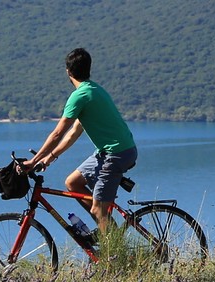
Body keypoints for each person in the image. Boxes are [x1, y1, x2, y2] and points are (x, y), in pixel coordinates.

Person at [21, 48, 138, 245]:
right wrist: (50, 157)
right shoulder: (94, 89)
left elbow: (58, 133)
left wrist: (33, 161)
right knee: (73, 183)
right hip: (110, 152)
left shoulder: (80, 96)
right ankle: (108, 228)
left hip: (116, 154)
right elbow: (74, 132)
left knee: (97, 209)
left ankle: (115, 255)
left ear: (68, 71)